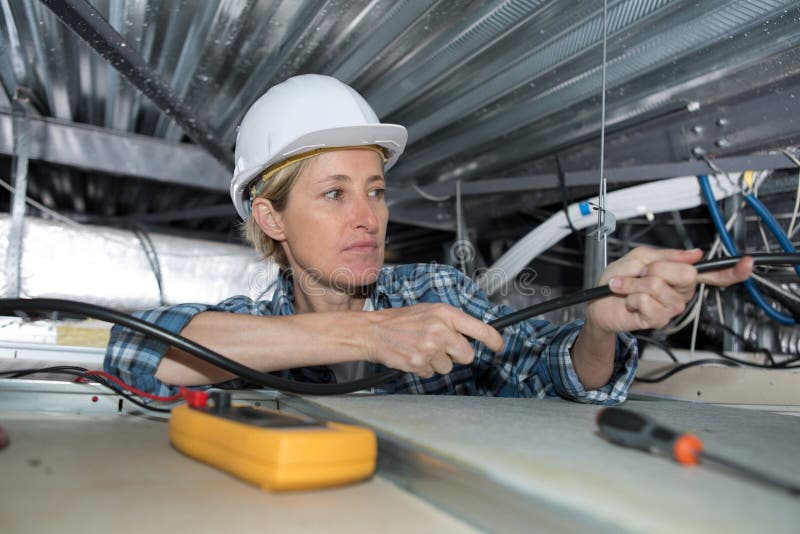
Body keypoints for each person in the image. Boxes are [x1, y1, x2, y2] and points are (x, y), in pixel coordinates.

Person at [105, 74, 752, 404]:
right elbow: (132, 351)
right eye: (334, 194)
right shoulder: (244, 333)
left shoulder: (436, 292)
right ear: (272, 220)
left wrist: (600, 329)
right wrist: (366, 334)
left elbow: (544, 369)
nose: (368, 217)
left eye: (376, 190)